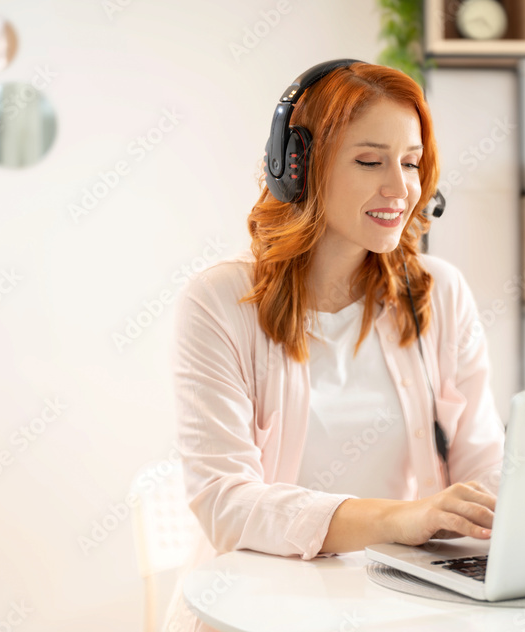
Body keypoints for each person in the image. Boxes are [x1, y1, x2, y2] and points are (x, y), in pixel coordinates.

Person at [161, 59, 505, 632]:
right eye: (370, 161)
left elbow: (484, 464)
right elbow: (226, 503)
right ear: (299, 168)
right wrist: (400, 518)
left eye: (412, 163)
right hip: (256, 610)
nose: (400, 189)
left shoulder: (437, 293)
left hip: (405, 609)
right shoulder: (219, 301)